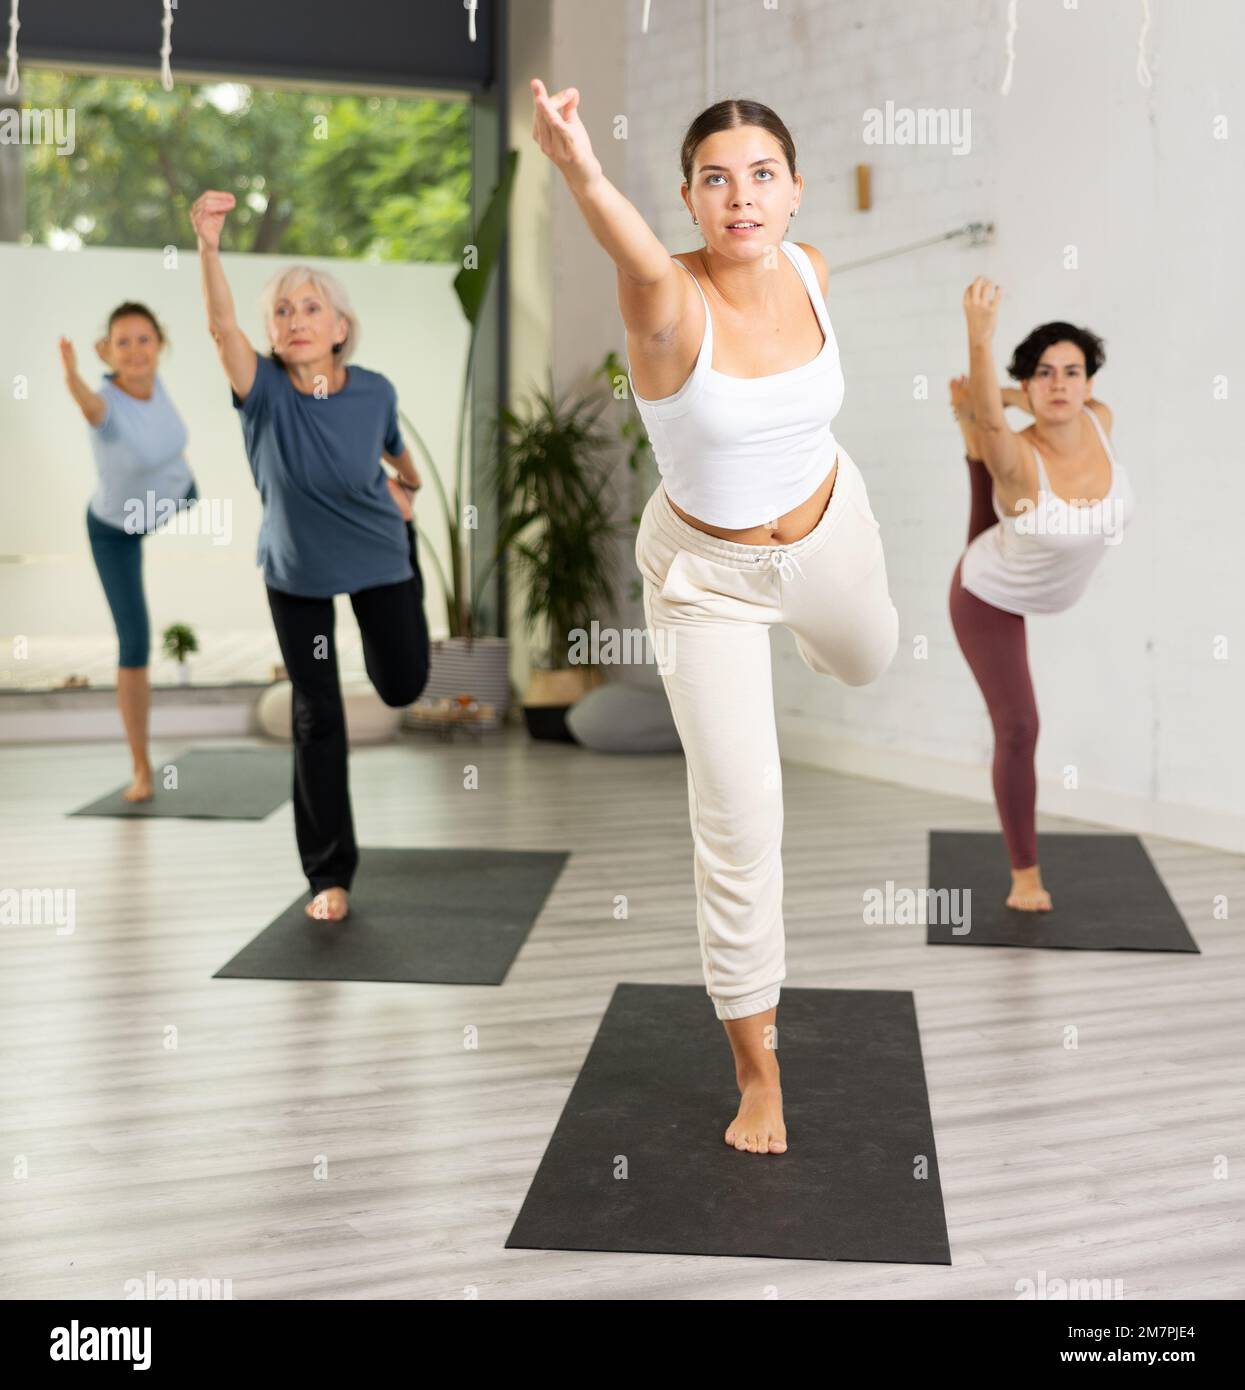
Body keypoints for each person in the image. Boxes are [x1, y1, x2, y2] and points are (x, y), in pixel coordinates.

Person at [531, 81, 899, 1155]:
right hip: (708, 579)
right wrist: (579, 169)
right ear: (689, 200)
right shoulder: (666, 301)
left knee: (868, 660)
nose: (741, 196)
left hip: (830, 532)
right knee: (740, 820)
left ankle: (832, 640)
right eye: (715, 179)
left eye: (763, 175)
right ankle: (757, 1070)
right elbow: (637, 258)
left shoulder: (814, 271)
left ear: (796, 194)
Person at [190, 189, 430, 923]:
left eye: (310, 308)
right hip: (297, 574)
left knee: (401, 688)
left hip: (381, 556)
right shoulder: (262, 392)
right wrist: (206, 243)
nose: (295, 320)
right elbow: (218, 325)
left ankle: (399, 675)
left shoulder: (374, 390)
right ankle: (329, 875)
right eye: (282, 311)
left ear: (340, 327)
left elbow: (395, 450)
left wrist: (408, 486)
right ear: (271, 333)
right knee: (316, 716)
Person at [949, 277, 1135, 912]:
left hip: (1041, 577)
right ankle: (1025, 875)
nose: (1060, 384)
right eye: (1043, 375)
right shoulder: (1021, 457)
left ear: (1090, 383)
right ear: (1026, 387)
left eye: (1072, 373)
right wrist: (981, 340)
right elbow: (1000, 416)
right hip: (989, 592)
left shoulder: (1102, 421)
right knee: (1021, 726)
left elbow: (1045, 401)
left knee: (979, 418)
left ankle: (970, 422)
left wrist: (1007, 394)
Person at [60, 304, 199, 802]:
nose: (136, 351)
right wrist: (72, 377)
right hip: (114, 530)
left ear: (160, 344)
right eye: (123, 342)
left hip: (176, 495)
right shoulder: (105, 404)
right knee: (135, 642)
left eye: (144, 339)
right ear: (107, 352)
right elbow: (88, 406)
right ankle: (141, 768)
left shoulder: (155, 383)